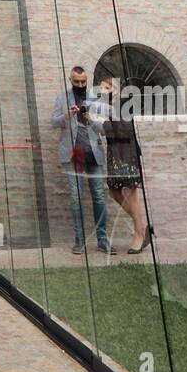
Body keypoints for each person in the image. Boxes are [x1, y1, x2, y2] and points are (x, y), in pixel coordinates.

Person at [51, 65, 116, 256]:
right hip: (73, 155)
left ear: (87, 80)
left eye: (83, 81)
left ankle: (102, 240)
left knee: (98, 195)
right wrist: (67, 115)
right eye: (76, 81)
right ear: (70, 80)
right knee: (75, 197)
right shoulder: (62, 98)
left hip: (93, 152)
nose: (80, 84)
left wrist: (89, 119)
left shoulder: (96, 98)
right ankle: (79, 240)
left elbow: (105, 128)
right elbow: (53, 122)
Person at [100, 76, 152, 255]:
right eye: (103, 89)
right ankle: (143, 226)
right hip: (114, 153)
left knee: (131, 193)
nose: (105, 91)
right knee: (114, 191)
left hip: (127, 152)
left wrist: (101, 123)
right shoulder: (108, 106)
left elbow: (124, 130)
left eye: (108, 88)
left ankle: (139, 234)